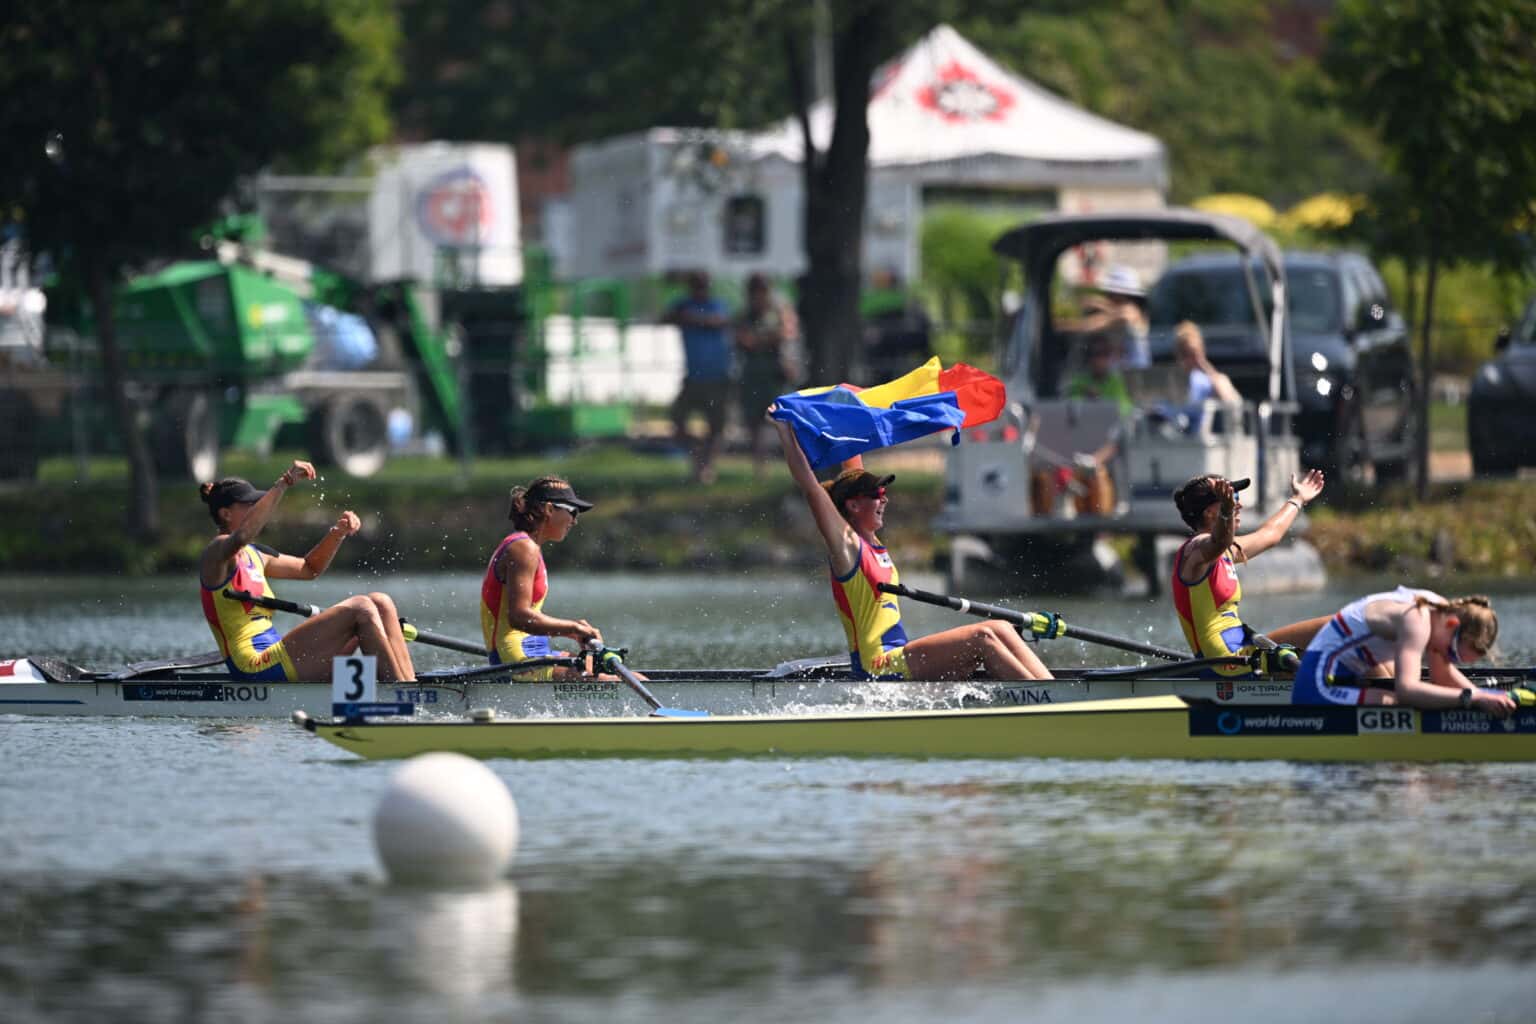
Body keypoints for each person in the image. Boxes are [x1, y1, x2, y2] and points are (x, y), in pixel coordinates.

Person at [771, 408, 1053, 682]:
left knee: (1001, 627)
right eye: (877, 494)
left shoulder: (873, 542)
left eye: (884, 492)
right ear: (854, 505)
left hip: (899, 654)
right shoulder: (846, 547)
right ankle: (1044, 702)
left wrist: (848, 410)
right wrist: (784, 431)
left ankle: (1049, 688)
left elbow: (852, 460)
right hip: (878, 665)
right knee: (983, 637)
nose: (885, 499)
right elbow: (810, 486)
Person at [198, 462, 416, 682]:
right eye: (250, 504)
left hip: (276, 658)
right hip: (253, 666)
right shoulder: (216, 553)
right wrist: (283, 483)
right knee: (361, 607)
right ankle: (399, 692)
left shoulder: (257, 555)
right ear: (226, 514)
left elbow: (309, 568)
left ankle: (409, 685)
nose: (257, 507)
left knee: (380, 602)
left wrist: (337, 533)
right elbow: (242, 536)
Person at [1171, 472, 1329, 674]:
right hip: (1225, 662)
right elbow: (1218, 541)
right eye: (1231, 498)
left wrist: (1298, 498)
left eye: (1235, 498)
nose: (1238, 505)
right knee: (1339, 628)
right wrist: (1227, 510)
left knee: (1340, 632)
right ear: (1209, 512)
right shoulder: (1194, 550)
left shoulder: (1226, 551)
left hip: (1242, 647)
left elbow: (1270, 534)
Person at [1291, 587, 1514, 717]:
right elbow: (1408, 690)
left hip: (1347, 676)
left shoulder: (1440, 610)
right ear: (1452, 624)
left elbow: (1442, 676)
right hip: (1316, 685)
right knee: (1395, 702)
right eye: (1452, 653)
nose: (1448, 659)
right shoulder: (1416, 620)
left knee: (1410, 699)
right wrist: (1475, 697)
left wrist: (1489, 697)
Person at [480, 476, 619, 681]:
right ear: (549, 509)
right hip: (517, 662)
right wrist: (573, 627)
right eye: (572, 511)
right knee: (627, 681)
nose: (574, 520)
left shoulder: (528, 547)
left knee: (617, 674)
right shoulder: (523, 548)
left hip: (533, 654)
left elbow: (528, 616)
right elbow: (519, 617)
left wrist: (572, 631)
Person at [663, 270, 733, 484]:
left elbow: (720, 321)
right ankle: (698, 458)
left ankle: (706, 467)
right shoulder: (683, 305)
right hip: (693, 377)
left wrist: (691, 317)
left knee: (717, 426)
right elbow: (665, 317)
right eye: (696, 286)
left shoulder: (716, 304)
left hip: (718, 376)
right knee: (677, 420)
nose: (700, 291)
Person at [735, 273, 800, 476]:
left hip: (776, 374)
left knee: (783, 419)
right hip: (753, 375)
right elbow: (744, 340)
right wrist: (767, 339)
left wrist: (760, 340)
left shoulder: (779, 311)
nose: (758, 296)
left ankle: (795, 464)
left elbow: (787, 332)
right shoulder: (745, 315)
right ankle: (760, 467)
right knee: (754, 422)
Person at [1172, 320, 1240, 430]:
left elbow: (1233, 406)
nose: (1189, 359)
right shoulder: (1170, 382)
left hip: (1201, 438)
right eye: (1185, 353)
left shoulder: (1209, 381)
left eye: (1193, 354)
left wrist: (1203, 364)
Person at [1080, 264, 1150, 369]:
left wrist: (1099, 304)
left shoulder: (1131, 311)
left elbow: (1091, 326)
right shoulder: (1116, 312)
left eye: (1112, 293)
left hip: (1136, 374)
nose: (1108, 296)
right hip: (1118, 373)